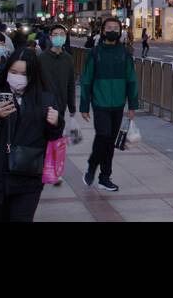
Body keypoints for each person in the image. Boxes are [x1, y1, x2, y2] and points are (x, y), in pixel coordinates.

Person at [0, 49, 62, 222]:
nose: (18, 77)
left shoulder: (45, 99)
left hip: (29, 176)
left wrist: (56, 123)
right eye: (13, 72)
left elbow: (53, 137)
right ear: (6, 72)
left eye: (24, 73)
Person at [80, 17, 139, 192]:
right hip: (100, 102)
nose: (112, 30)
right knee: (103, 135)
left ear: (120, 31)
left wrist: (132, 105)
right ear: (103, 31)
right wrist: (84, 105)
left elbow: (131, 79)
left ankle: (105, 177)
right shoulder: (95, 53)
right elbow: (86, 80)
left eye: (116, 27)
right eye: (109, 27)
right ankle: (92, 165)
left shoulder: (125, 52)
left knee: (110, 141)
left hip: (118, 103)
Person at [38, 25, 77, 187]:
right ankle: (40, 168)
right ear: (50, 37)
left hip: (60, 106)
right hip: (42, 105)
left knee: (56, 140)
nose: (59, 37)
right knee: (41, 139)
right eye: (55, 34)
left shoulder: (68, 58)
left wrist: (72, 107)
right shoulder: (41, 58)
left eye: (62, 34)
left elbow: (70, 84)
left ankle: (55, 171)